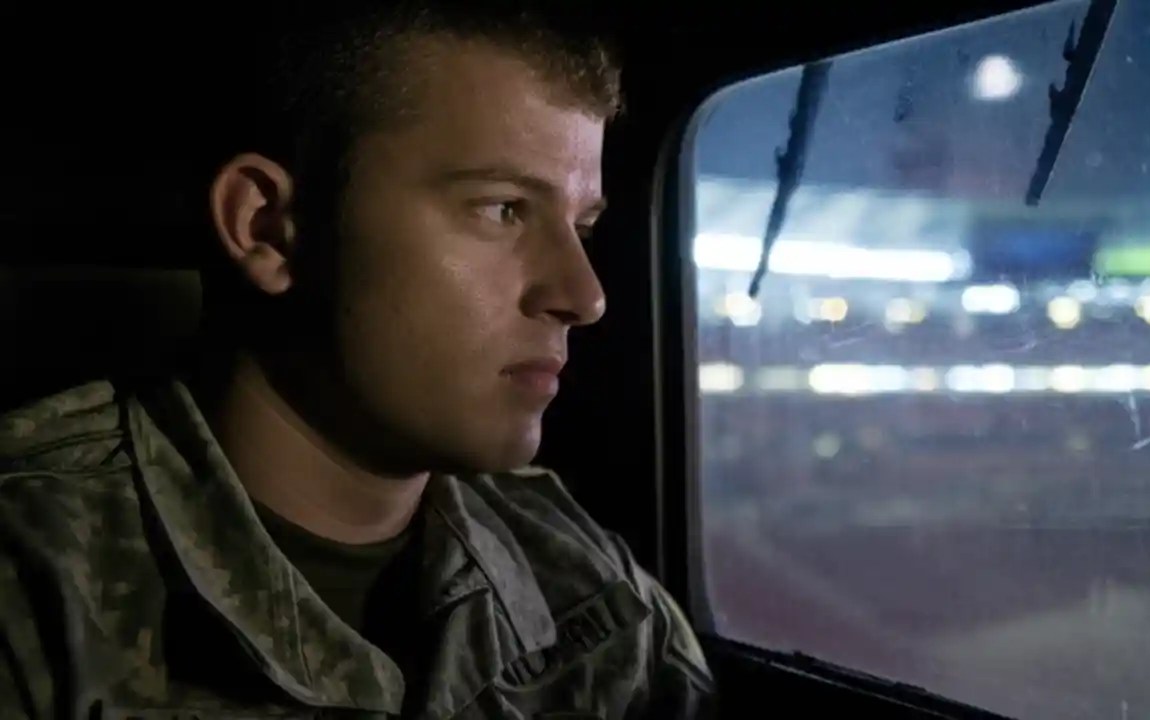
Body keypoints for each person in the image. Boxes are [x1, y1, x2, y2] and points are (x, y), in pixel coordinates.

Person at [0, 1, 715, 717]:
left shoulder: (581, 579)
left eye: (581, 228)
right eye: (502, 210)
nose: (585, 297)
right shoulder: (38, 587)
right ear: (270, 229)